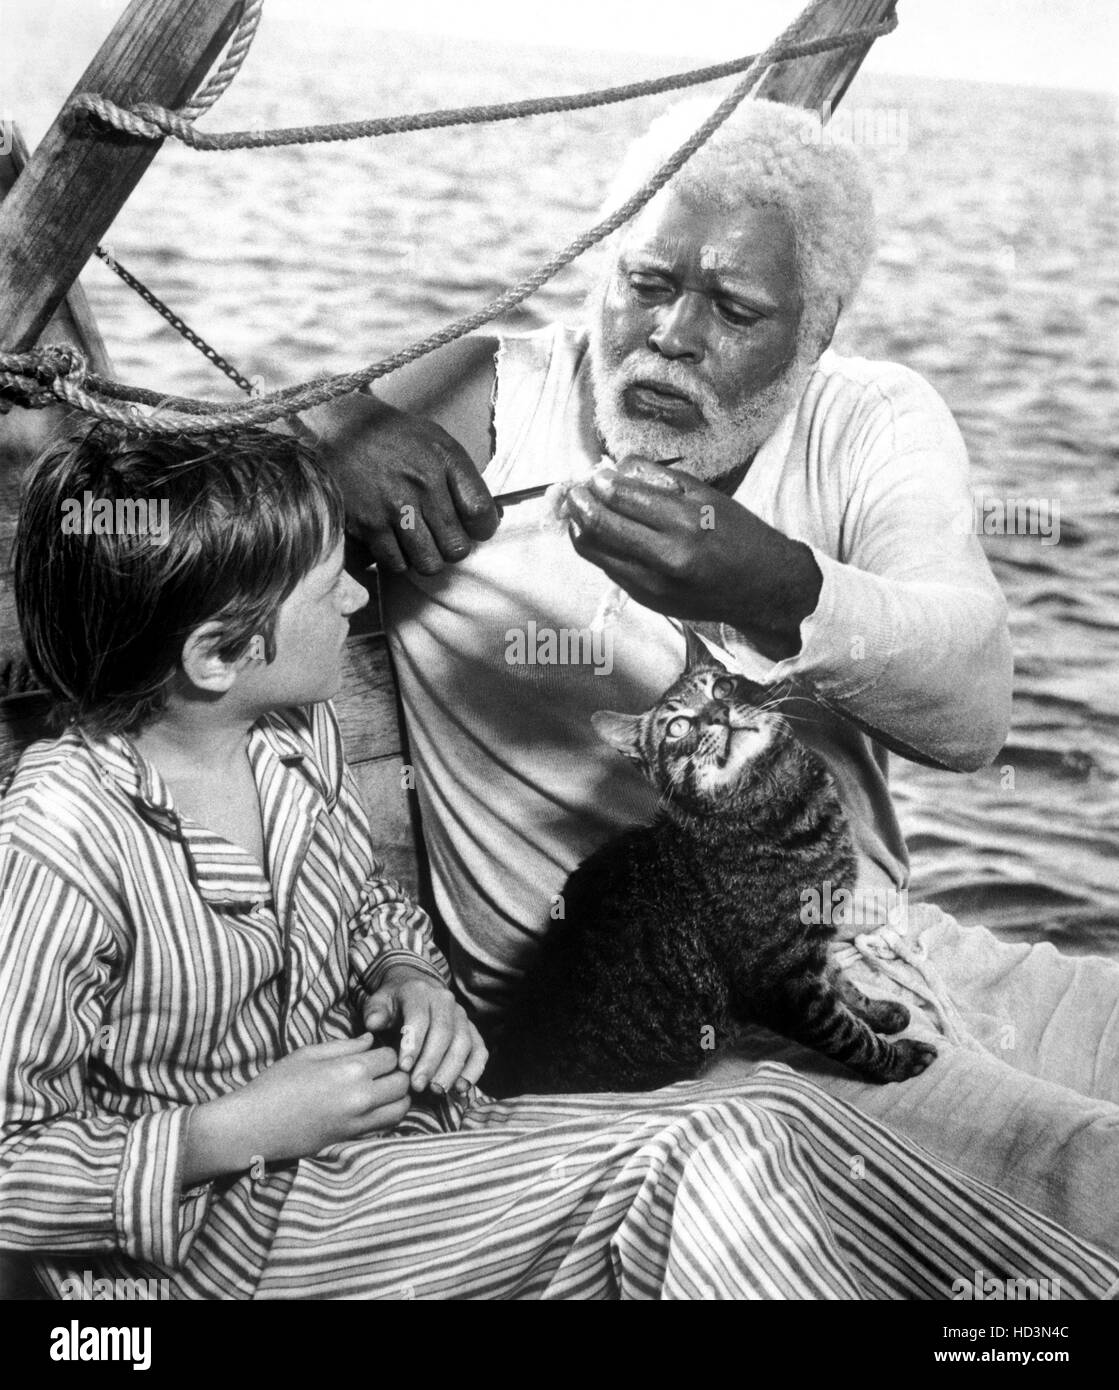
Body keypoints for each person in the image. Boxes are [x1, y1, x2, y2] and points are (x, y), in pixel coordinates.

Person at [8, 424, 1110, 1301]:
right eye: (326, 585)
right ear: (217, 654)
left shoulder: (290, 743)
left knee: (777, 1111)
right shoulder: (64, 842)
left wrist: (409, 978)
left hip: (397, 1158)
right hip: (229, 1247)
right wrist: (226, 1132)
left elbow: (367, 907)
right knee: (700, 1169)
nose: (358, 594)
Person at [309, 97, 1119, 1255]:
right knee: (1093, 1170)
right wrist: (326, 420)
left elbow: (975, 708)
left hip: (893, 950)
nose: (670, 336)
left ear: (816, 331)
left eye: (734, 310)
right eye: (645, 282)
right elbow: (215, 480)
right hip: (689, 1042)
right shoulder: (503, 399)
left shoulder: (870, 419)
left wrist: (778, 590)